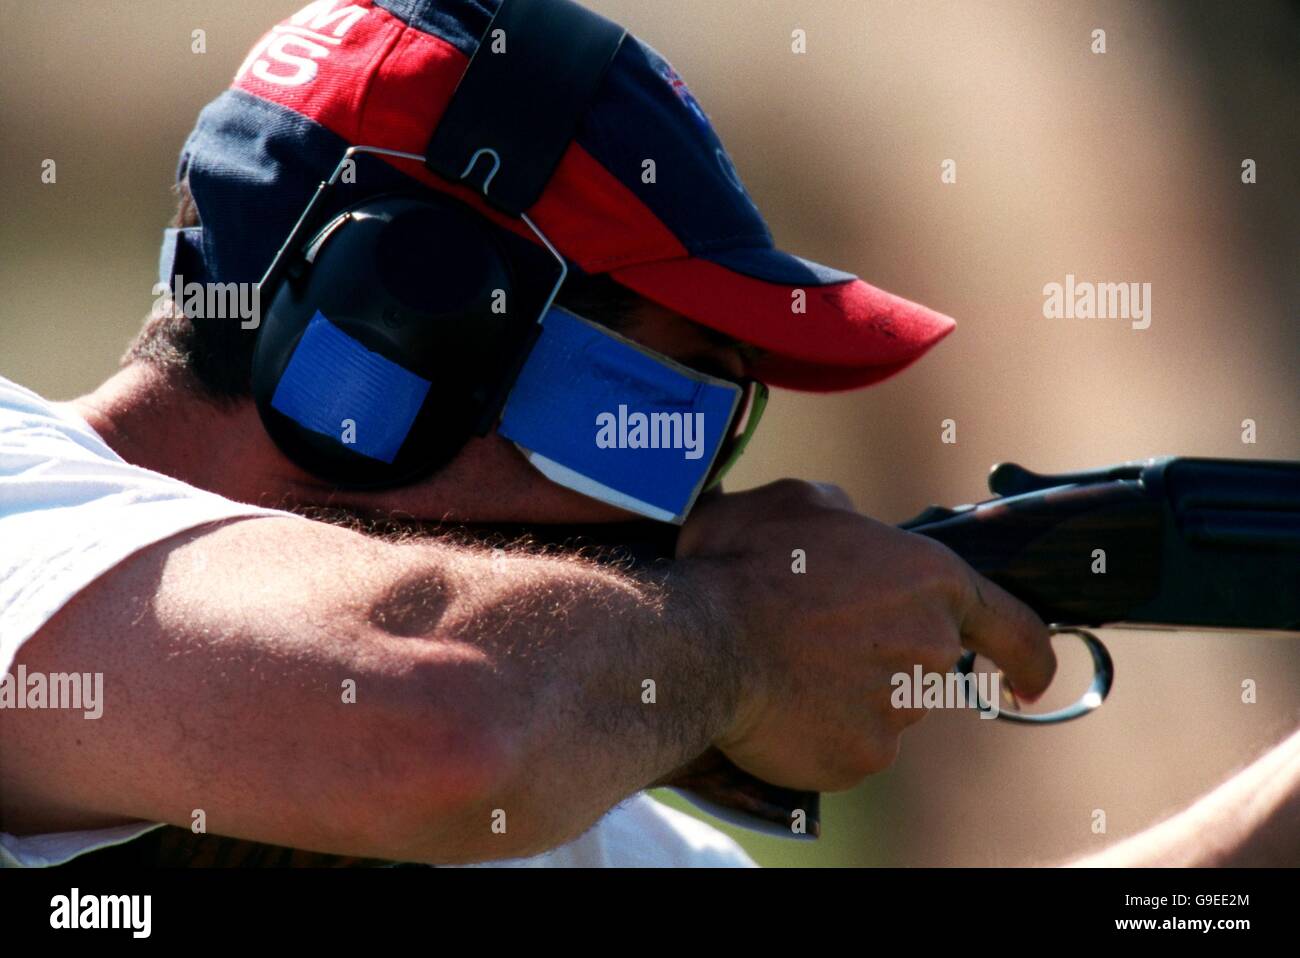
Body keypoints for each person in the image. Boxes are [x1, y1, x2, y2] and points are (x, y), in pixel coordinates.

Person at [1, 0, 1294, 869]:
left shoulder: (555, 792)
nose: (665, 516)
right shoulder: (19, 490)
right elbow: (440, 721)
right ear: (393, 336)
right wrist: (742, 638)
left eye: (704, 432)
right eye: (639, 416)